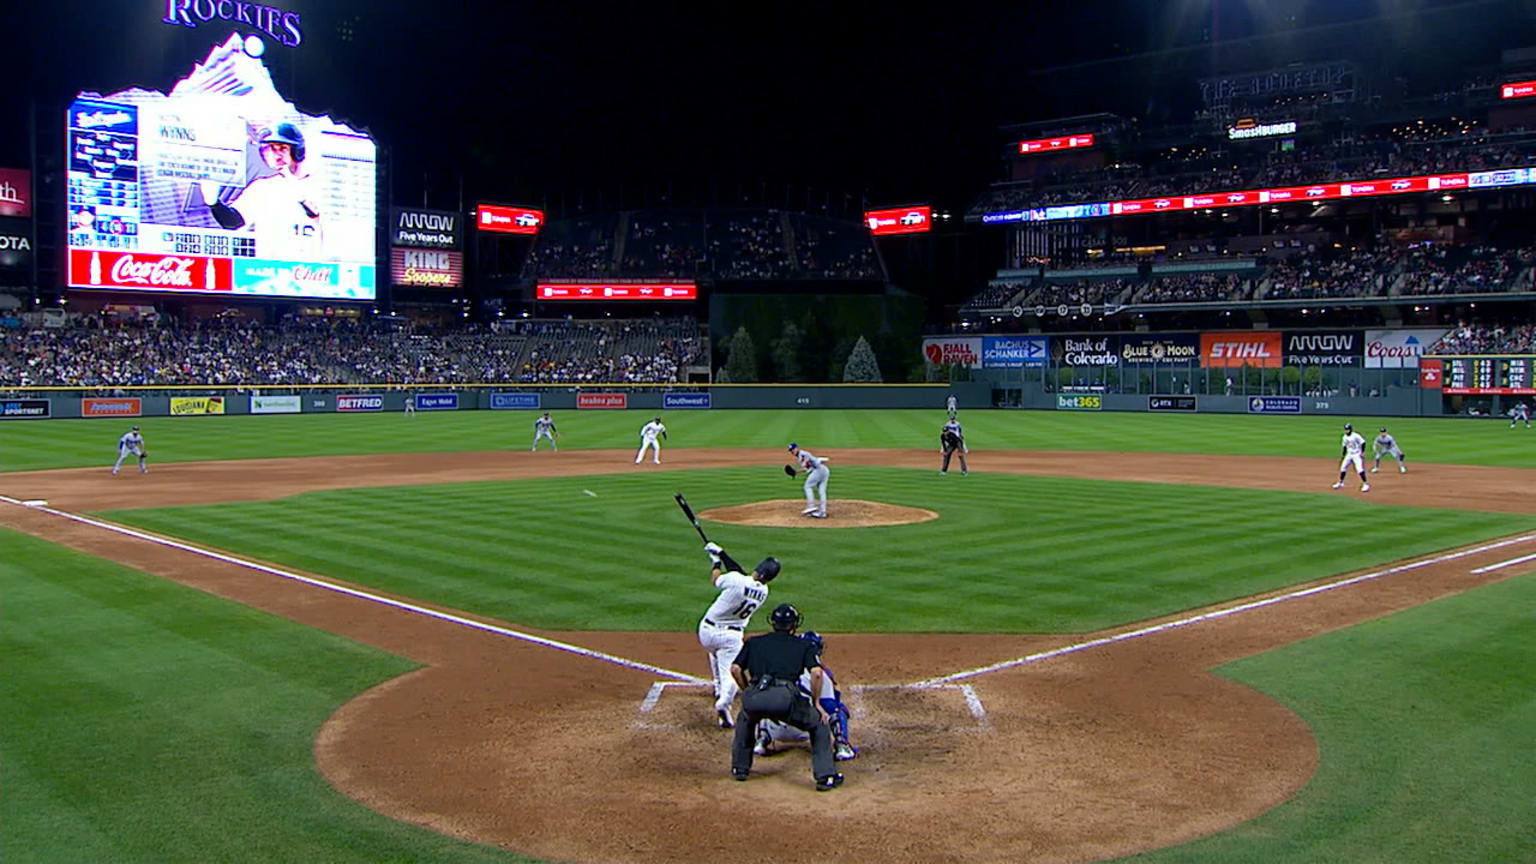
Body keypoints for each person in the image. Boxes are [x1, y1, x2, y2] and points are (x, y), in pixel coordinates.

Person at [728, 603, 844, 791]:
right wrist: (816, 704)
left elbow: (735, 669)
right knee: (818, 723)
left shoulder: (753, 642)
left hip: (755, 694)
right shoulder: (804, 645)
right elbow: (816, 674)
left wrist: (747, 690)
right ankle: (825, 777)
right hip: (784, 697)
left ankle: (739, 769)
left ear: (773, 623)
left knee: (746, 718)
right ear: (794, 625)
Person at [204, 122, 322, 260]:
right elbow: (233, 223)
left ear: (298, 151)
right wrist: (213, 203)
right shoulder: (263, 187)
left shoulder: (321, 185)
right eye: (270, 149)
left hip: (319, 272)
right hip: (269, 272)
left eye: (282, 148)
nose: (276, 155)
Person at [698, 542, 778, 728]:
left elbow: (716, 580)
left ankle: (720, 693)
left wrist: (716, 562)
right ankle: (723, 702)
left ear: (758, 569)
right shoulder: (764, 591)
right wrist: (722, 554)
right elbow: (741, 576)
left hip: (706, 633)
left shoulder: (735, 579)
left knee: (715, 654)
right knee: (732, 671)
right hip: (731, 638)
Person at [756, 630, 859, 761]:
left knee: (764, 703)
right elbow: (830, 705)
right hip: (807, 729)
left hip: (776, 729)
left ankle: (761, 741)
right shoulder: (822, 675)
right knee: (838, 708)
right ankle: (842, 746)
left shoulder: (780, 668)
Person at [788, 442, 830, 518]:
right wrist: (796, 472)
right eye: (790, 450)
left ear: (797, 448)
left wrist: (804, 462)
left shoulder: (802, 454)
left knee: (807, 486)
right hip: (824, 470)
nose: (792, 451)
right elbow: (806, 468)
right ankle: (822, 512)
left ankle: (811, 506)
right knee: (822, 491)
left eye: (793, 449)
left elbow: (807, 458)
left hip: (819, 470)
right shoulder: (799, 458)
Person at [1332, 422, 1370, 493]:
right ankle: (1340, 483)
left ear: (1350, 430)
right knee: (1343, 468)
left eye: (1348, 429)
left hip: (1356, 454)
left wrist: (1363, 452)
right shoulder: (1344, 437)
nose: (1346, 431)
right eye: (1346, 429)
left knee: (1359, 469)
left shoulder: (1355, 435)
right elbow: (1344, 447)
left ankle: (1366, 484)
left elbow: (1363, 442)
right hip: (1349, 454)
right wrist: (1343, 456)